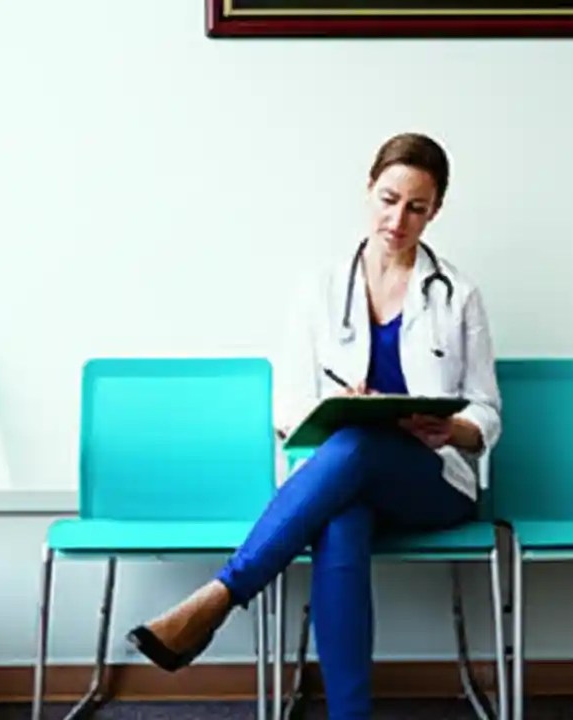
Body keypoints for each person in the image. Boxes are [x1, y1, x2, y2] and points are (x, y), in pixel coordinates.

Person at [126, 132, 502, 718]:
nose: (397, 219)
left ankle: (221, 595)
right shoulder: (319, 289)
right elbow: (287, 409)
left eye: (416, 207)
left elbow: (487, 411)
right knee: (342, 517)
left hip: (432, 482)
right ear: (368, 192)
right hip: (342, 480)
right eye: (387, 198)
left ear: (436, 211)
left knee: (358, 446)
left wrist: (448, 429)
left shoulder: (458, 295)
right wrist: (335, 408)